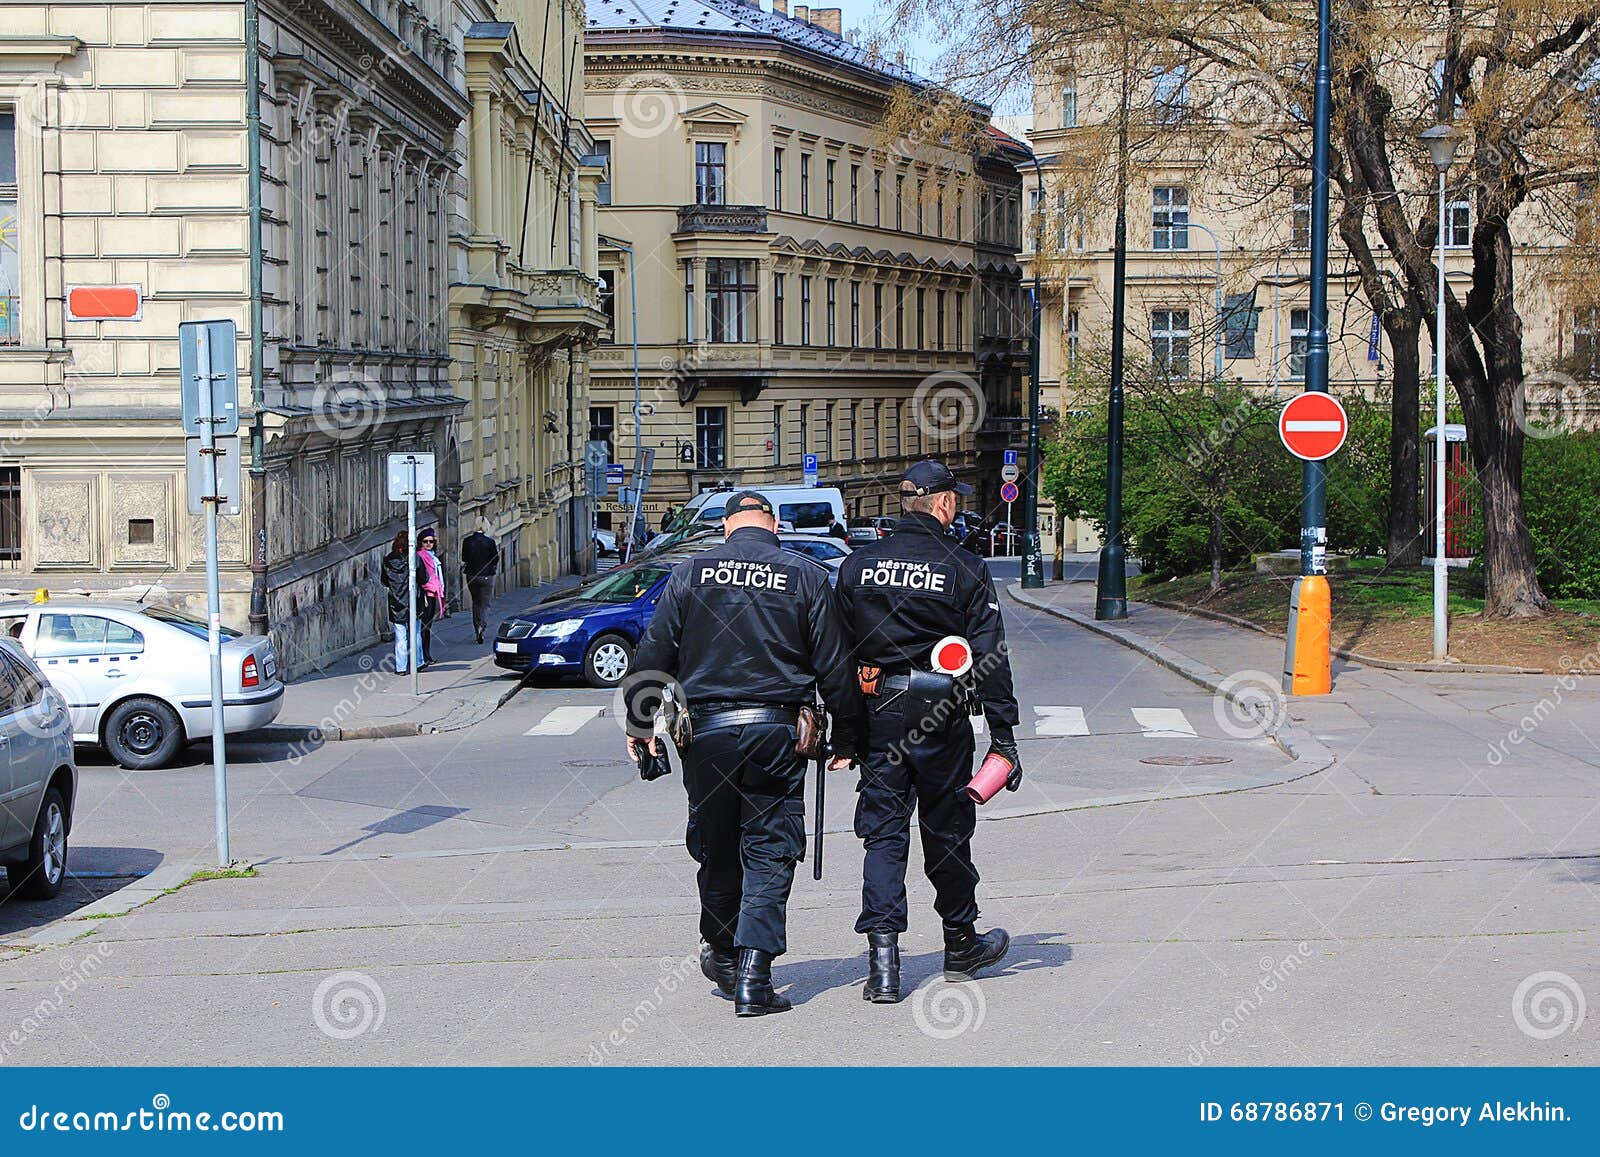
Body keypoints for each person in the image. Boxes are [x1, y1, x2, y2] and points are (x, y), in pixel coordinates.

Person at [632, 491, 861, 1017]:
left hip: (706, 735)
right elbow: (835, 665)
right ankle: (755, 976)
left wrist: (640, 724)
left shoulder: (690, 573)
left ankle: (723, 953)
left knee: (715, 845)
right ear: (773, 526)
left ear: (726, 527)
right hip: (777, 733)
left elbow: (654, 651)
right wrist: (848, 737)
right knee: (770, 848)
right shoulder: (805, 576)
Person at [834, 460, 1020, 1004]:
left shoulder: (857, 565)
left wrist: (844, 731)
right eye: (955, 500)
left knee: (884, 834)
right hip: (941, 718)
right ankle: (960, 942)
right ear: (943, 503)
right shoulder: (964, 566)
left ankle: (883, 965)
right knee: (947, 831)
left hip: (880, 713)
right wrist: (1004, 736)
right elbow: (990, 655)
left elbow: (835, 655)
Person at [380, 531, 427, 675]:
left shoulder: (388, 560)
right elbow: (423, 578)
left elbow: (384, 581)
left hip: (396, 602)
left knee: (400, 636)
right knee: (416, 633)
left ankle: (401, 667)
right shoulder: (415, 558)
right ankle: (418, 662)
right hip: (414, 599)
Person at [461, 526, 499, 644]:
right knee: (485, 604)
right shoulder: (489, 541)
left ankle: (477, 627)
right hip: (486, 575)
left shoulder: (467, 541)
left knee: (476, 602)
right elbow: (495, 558)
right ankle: (482, 625)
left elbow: (464, 558)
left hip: (472, 575)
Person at [416, 527, 445, 668]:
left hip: (433, 593)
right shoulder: (421, 555)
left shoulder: (432, 556)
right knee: (424, 627)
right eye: (425, 541)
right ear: (420, 543)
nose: (428, 544)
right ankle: (424, 656)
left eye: (431, 541)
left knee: (427, 627)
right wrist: (431, 587)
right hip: (426, 594)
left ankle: (426, 655)